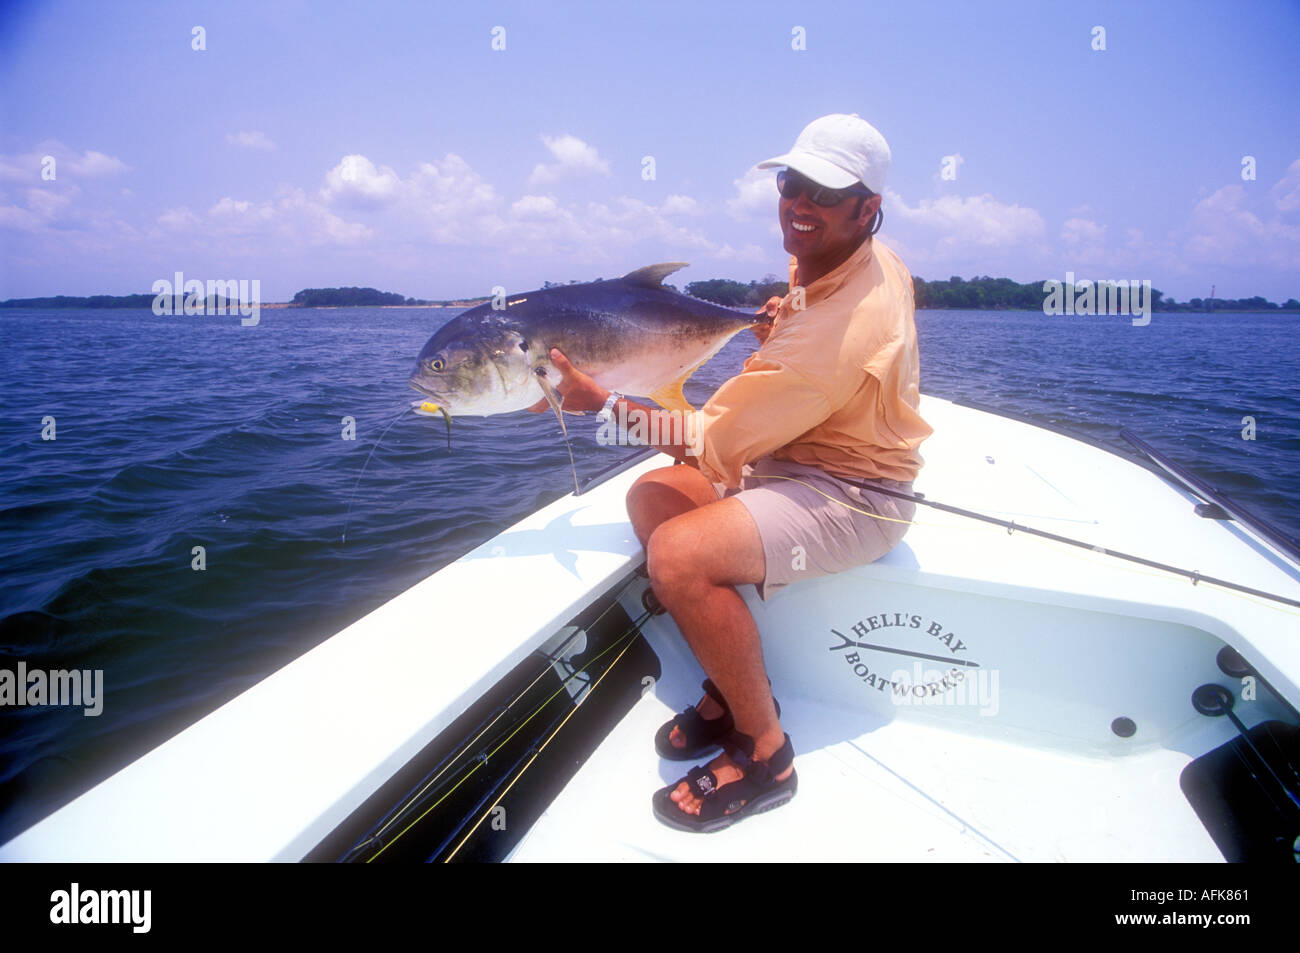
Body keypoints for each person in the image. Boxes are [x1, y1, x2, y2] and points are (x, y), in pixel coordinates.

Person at [531, 114, 932, 832]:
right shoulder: (846, 256)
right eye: (791, 183)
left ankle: (766, 749)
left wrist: (601, 404)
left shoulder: (844, 328)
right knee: (652, 497)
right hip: (788, 455)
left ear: (868, 208)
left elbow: (711, 442)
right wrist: (785, 312)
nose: (799, 205)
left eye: (824, 193)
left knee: (677, 555)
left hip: (852, 492)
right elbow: (774, 385)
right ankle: (731, 687)